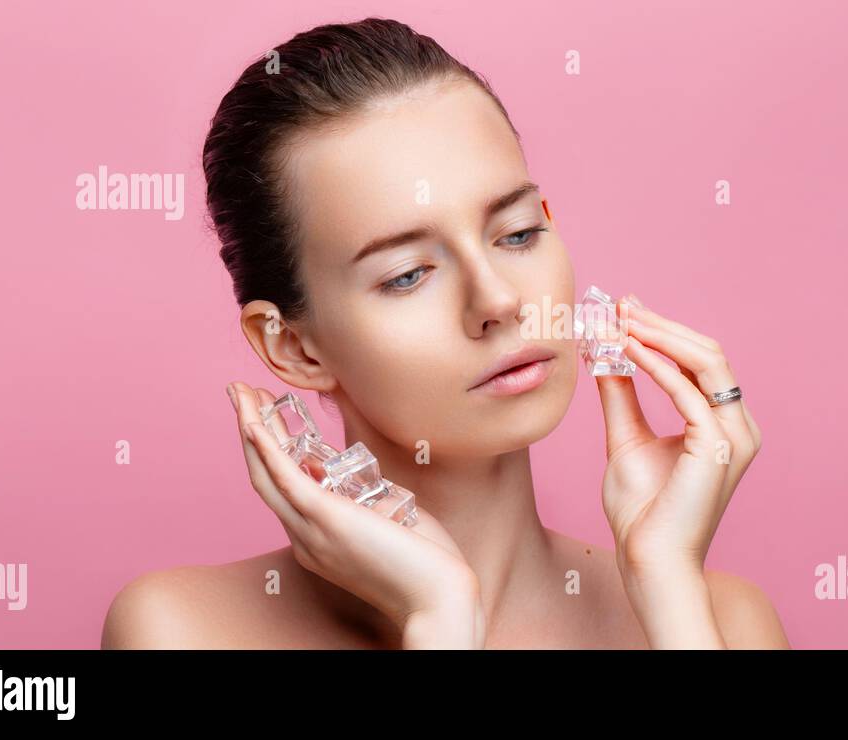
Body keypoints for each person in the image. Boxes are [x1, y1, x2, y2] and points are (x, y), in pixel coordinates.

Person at [101, 17, 787, 649]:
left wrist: (667, 587)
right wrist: (439, 618)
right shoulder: (185, 631)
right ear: (293, 346)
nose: (496, 299)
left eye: (518, 233)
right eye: (406, 275)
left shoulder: (720, 621)